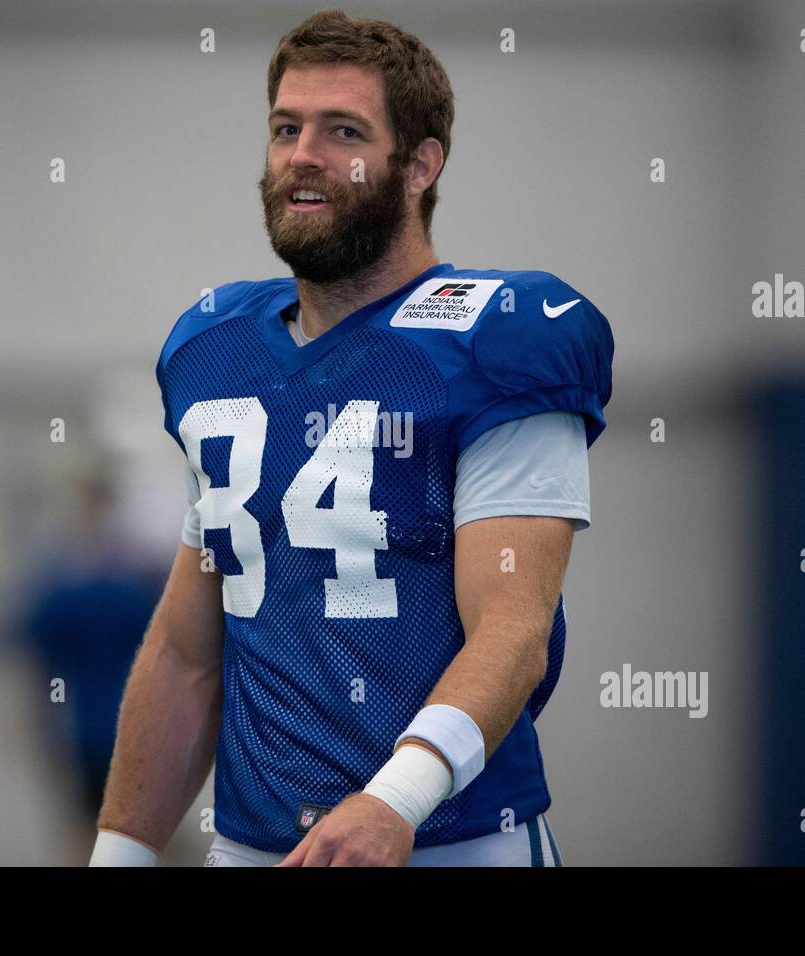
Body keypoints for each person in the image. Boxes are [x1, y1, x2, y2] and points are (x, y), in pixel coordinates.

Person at [92, 8, 613, 867]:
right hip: (254, 848)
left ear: (420, 164)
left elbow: (512, 631)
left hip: (446, 840)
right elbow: (189, 650)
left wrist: (393, 800)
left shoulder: (498, 338)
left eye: (344, 131)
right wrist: (120, 856)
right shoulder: (214, 347)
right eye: (286, 128)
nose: (304, 153)